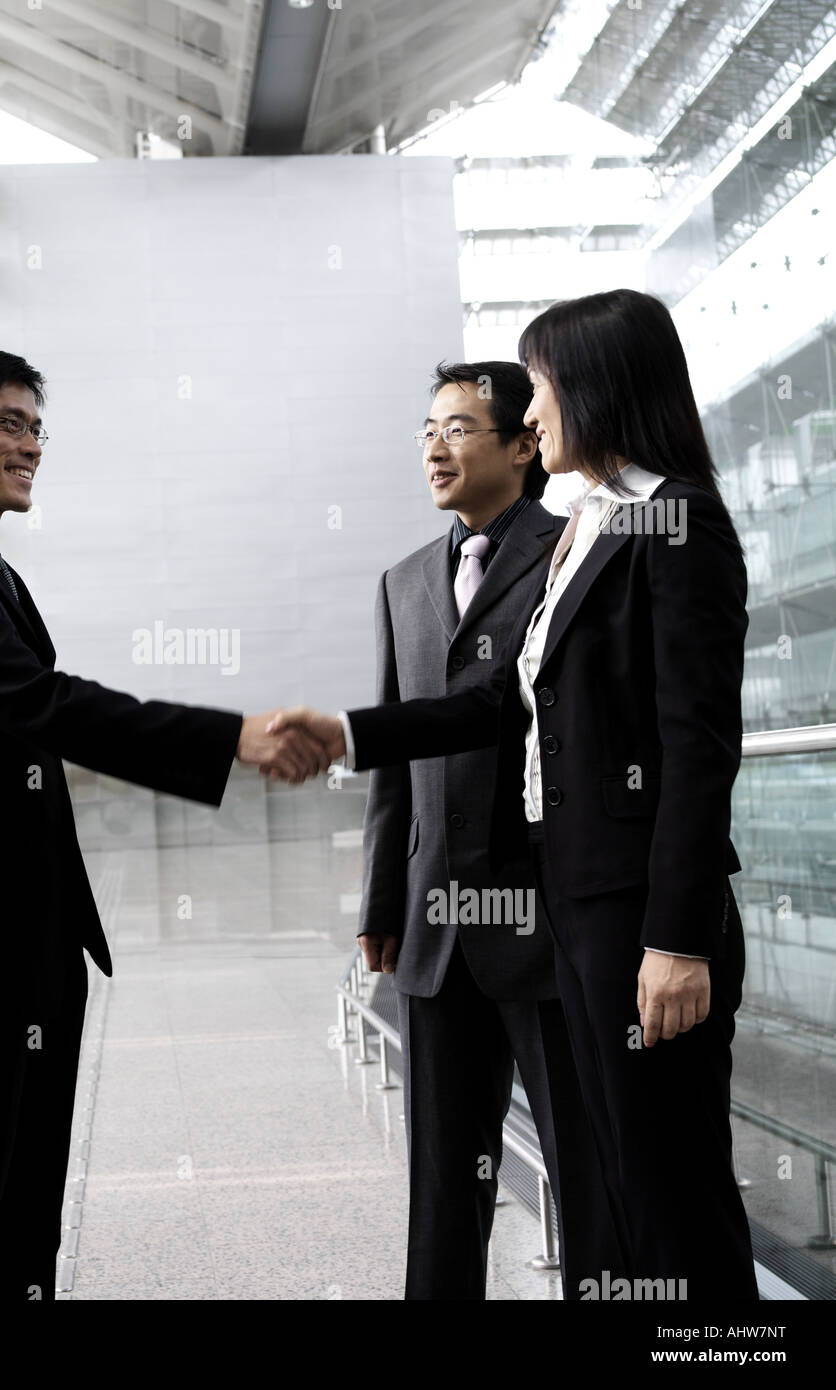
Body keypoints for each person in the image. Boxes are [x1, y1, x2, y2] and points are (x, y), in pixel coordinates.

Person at [272, 289, 758, 1300]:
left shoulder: (677, 525)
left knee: (673, 1199)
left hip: (638, 922)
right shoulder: (596, 525)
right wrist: (354, 734)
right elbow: (501, 701)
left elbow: (695, 750)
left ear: (597, 385)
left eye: (537, 390)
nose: (532, 416)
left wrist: (678, 940)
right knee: (629, 1187)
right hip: (582, 913)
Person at [0, 345, 327, 1300]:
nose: (32, 444)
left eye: (38, 427)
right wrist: (228, 738)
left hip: (16, 951)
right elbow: (46, 705)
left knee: (17, 1214)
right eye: (10, 423)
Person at [361, 359, 618, 1298]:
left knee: (584, 1167)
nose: (435, 446)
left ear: (524, 446)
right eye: (427, 429)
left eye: (460, 428)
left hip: (548, 925)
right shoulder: (401, 581)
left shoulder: (575, 553)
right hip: (433, 931)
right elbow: (395, 764)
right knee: (443, 1186)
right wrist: (381, 900)